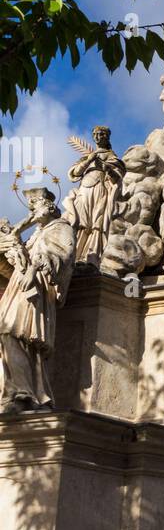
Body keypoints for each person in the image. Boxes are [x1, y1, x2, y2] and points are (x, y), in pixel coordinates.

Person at [0, 187, 75, 414]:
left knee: (14, 333)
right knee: (9, 336)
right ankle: (21, 392)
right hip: (18, 288)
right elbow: (13, 268)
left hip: (38, 290)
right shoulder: (35, 234)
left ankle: (24, 392)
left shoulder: (61, 228)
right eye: (30, 207)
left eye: (36, 204)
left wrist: (35, 267)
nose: (32, 210)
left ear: (50, 206)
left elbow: (64, 256)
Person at [65, 126, 125, 262]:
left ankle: (89, 255)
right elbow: (74, 173)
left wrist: (107, 169)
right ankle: (74, 253)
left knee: (95, 221)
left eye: (101, 134)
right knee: (80, 219)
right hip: (84, 190)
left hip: (100, 189)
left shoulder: (111, 156)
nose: (98, 137)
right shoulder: (87, 156)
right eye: (96, 134)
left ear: (107, 137)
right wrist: (89, 160)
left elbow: (118, 177)